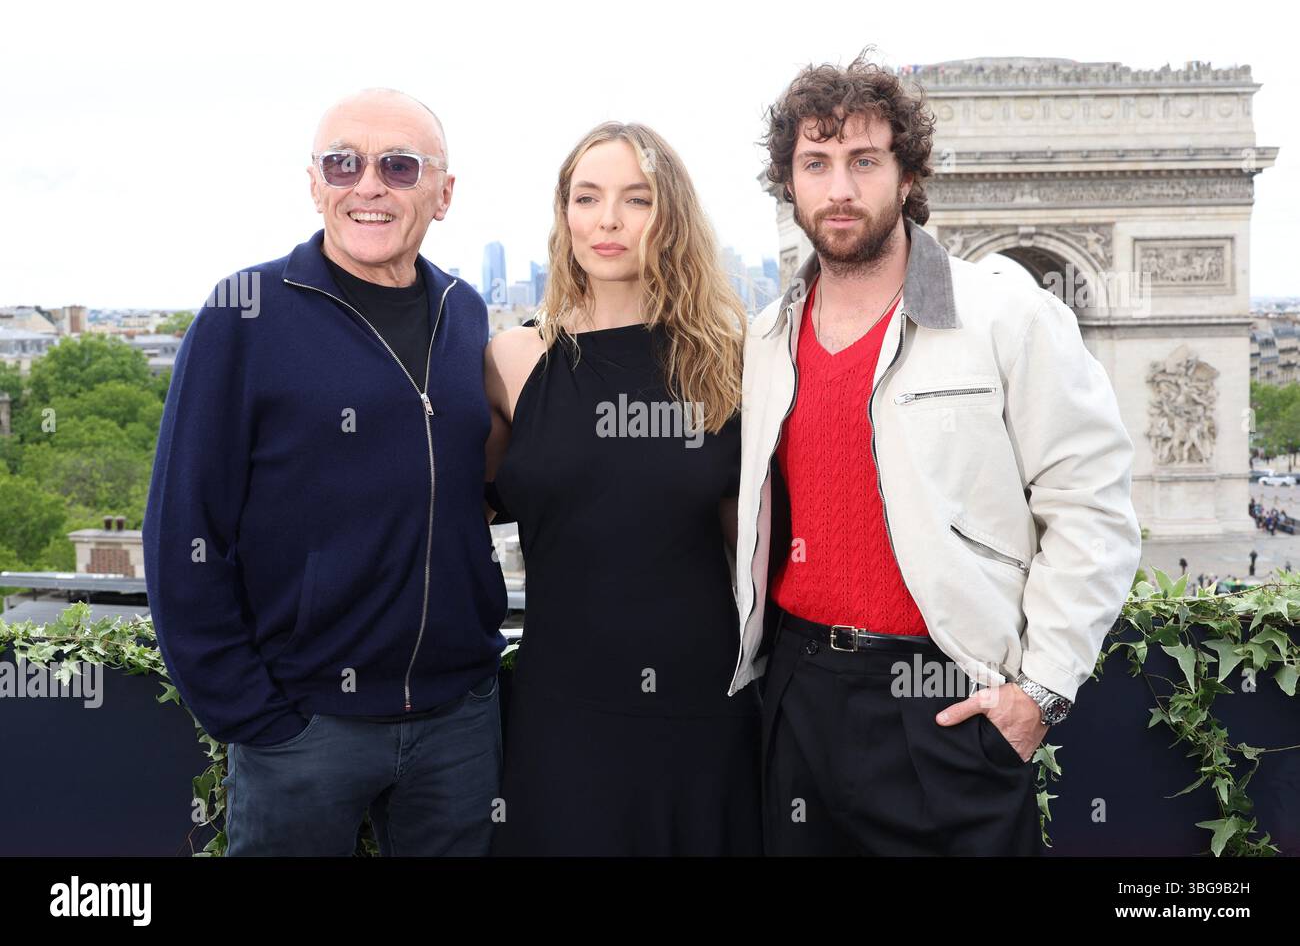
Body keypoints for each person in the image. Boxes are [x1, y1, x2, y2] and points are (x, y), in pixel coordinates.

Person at [730, 51, 1143, 855]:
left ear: (908, 174)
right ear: (789, 183)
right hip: (799, 691)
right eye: (816, 163)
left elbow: (1091, 506)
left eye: (864, 161)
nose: (839, 188)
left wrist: (1041, 695)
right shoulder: (766, 338)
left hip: (948, 702)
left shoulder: (1004, 313)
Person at [143, 89, 507, 856]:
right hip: (304, 731)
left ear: (443, 195)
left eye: (399, 166)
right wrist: (254, 719)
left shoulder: (465, 312)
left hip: (458, 720)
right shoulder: (243, 313)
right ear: (315, 184)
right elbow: (184, 527)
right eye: (343, 163)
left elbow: (469, 484)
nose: (367, 184)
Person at [483, 121, 760, 855]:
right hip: (559, 709)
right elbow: (449, 511)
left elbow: (759, 551)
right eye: (587, 197)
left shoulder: (733, 364)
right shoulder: (512, 361)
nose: (607, 220)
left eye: (635, 200)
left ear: (668, 217)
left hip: (703, 708)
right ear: (564, 212)